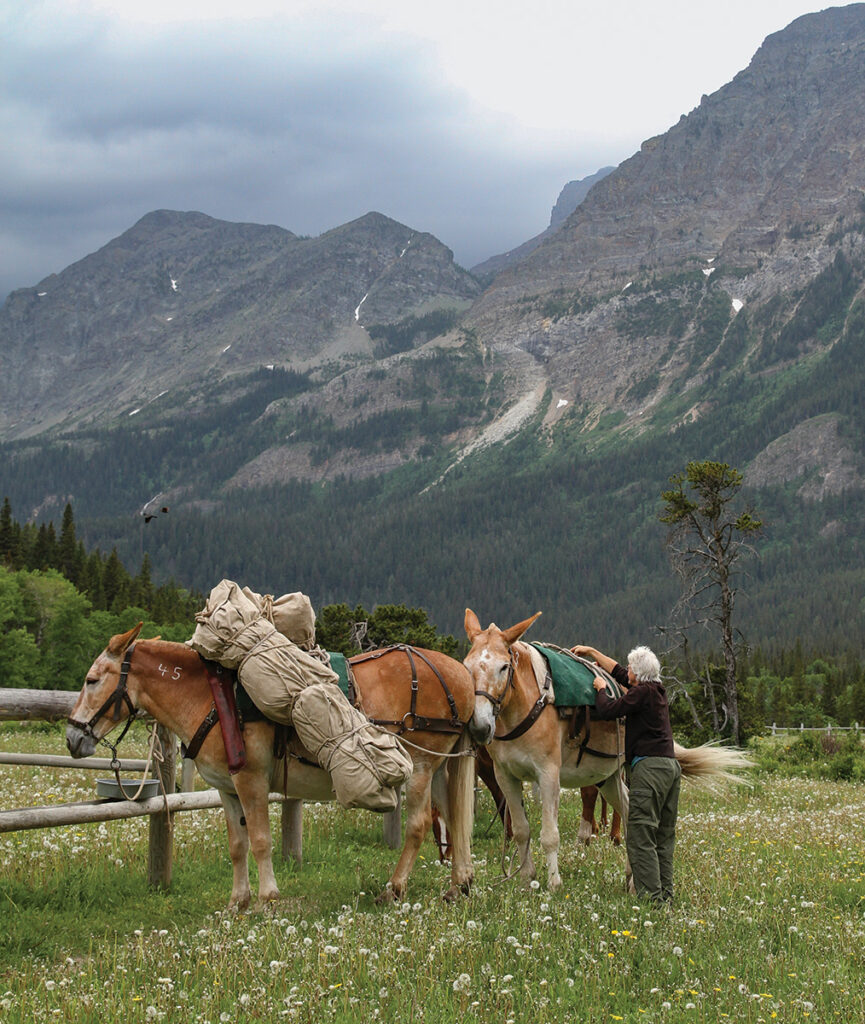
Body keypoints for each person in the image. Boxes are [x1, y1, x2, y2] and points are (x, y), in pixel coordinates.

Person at [570, 642, 681, 904]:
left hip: (650, 768)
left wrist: (599, 690)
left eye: (631, 667)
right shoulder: (655, 690)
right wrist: (592, 652)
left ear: (639, 674)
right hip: (670, 767)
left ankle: (651, 900)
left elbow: (609, 709)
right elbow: (619, 672)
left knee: (641, 834)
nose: (626, 670)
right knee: (663, 836)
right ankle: (665, 895)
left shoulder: (640, 694)